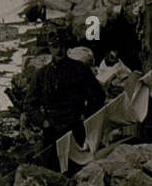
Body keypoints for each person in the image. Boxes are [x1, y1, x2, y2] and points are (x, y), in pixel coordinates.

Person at [21, 27, 105, 171]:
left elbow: (98, 95)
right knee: (52, 171)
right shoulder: (41, 75)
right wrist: (44, 122)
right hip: (52, 131)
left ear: (67, 47)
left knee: (78, 170)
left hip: (76, 129)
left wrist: (86, 115)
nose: (59, 50)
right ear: (49, 48)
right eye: (55, 46)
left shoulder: (80, 69)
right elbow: (29, 104)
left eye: (62, 46)